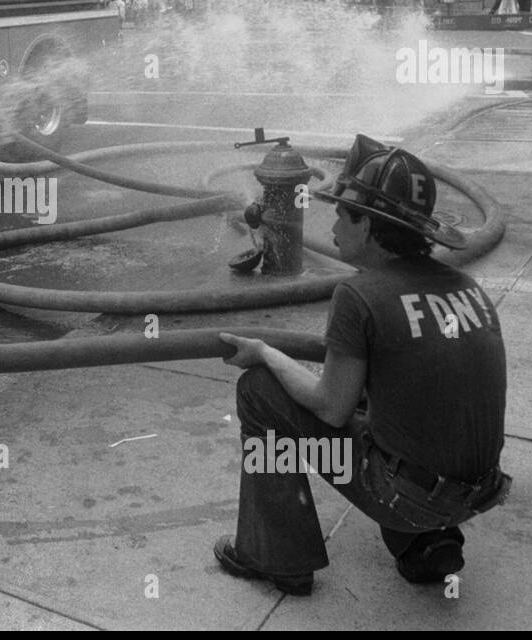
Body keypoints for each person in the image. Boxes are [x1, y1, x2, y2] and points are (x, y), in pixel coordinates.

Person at [212, 135, 511, 594]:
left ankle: (278, 556)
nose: (331, 222)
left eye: (343, 213)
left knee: (260, 390)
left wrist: (267, 352)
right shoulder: (466, 286)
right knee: (390, 392)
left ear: (370, 227)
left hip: (406, 495)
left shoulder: (358, 295)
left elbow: (330, 409)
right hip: (480, 492)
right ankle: (426, 543)